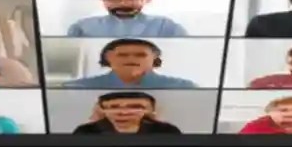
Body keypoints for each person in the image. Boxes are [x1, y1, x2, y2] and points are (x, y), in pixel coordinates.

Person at [63, 39, 196, 89]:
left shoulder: (186, 88)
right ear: (108, 57)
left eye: (140, 55)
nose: (131, 59)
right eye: (122, 55)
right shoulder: (74, 88)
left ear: (154, 58)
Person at [66, 0, 188, 37]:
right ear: (103, 0)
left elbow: (184, 53)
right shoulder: (83, 26)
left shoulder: (165, 26)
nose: (123, 4)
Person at [72, 92, 182, 134]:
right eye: (113, 107)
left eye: (136, 107)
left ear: (150, 111)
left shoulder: (166, 131)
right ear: (102, 110)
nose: (123, 112)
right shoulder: (86, 131)